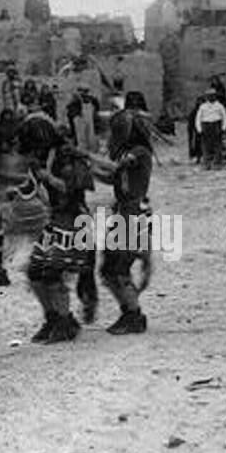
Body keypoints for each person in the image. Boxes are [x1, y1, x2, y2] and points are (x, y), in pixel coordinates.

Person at [20, 112, 95, 343]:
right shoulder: (42, 158)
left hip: (75, 220)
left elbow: (74, 188)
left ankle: (65, 322)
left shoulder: (67, 156)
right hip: (56, 221)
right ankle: (53, 318)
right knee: (35, 272)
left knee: (53, 273)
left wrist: (47, 177)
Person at [92, 106, 155, 334]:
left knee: (117, 269)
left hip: (131, 216)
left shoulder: (139, 153)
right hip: (124, 215)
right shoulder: (134, 153)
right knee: (110, 269)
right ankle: (129, 311)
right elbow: (112, 177)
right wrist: (90, 169)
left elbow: (117, 169)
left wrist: (86, 156)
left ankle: (133, 314)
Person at [194, 87, 226, 169]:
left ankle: (217, 163)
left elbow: (225, 117)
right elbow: (198, 118)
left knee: (217, 145)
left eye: (212, 96)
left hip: (216, 125)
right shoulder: (203, 107)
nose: (211, 98)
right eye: (209, 96)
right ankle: (206, 163)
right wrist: (199, 129)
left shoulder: (219, 106)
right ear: (206, 97)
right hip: (206, 126)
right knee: (206, 145)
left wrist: (223, 128)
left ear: (215, 96)